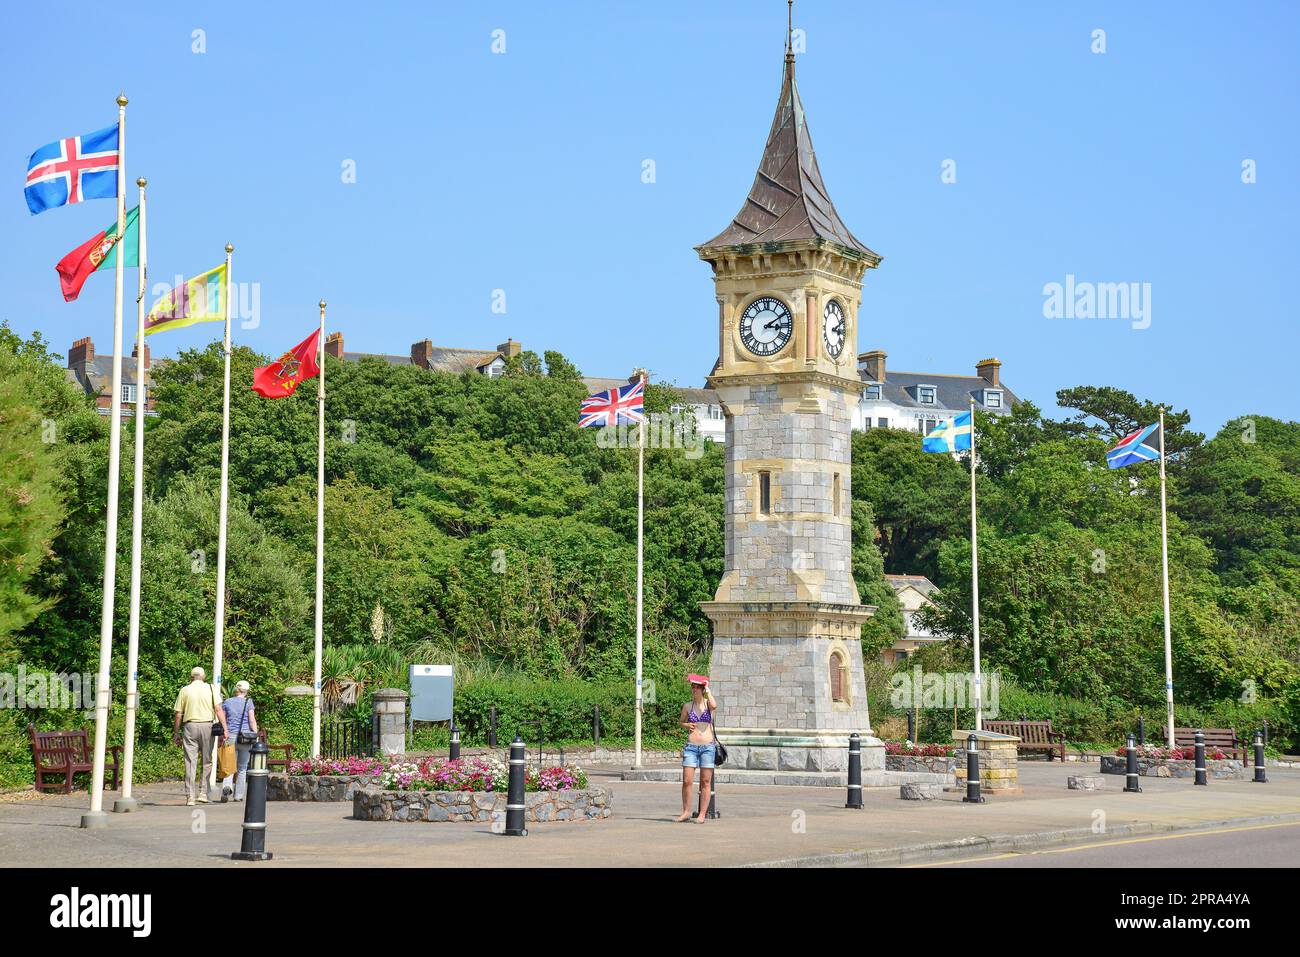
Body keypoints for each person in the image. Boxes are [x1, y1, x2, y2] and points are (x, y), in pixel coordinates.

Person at [172, 666, 227, 806]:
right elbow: (218, 709)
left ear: (191, 677)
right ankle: (202, 793)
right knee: (207, 760)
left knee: (190, 762)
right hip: (207, 726)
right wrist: (225, 729)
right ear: (203, 676)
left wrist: (176, 732)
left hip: (190, 726)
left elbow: (178, 714)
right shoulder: (211, 688)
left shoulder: (184, 690)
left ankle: (190, 797)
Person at [677, 673, 718, 823]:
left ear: (702, 689)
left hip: (707, 747)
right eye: (692, 687)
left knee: (705, 781)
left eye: (696, 687)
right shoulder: (688, 706)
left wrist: (708, 690)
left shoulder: (708, 704)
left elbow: (714, 706)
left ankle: (702, 814)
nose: (694, 690)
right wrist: (686, 724)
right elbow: (681, 721)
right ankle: (686, 811)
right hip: (691, 747)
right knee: (687, 780)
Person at [220, 680, 259, 802]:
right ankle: (238, 796)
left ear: (236, 689)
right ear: (246, 691)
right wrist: (255, 734)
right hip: (245, 738)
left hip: (230, 736)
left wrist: (223, 733)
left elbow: (223, 719)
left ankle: (227, 786)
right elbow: (252, 720)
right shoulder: (249, 702)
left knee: (229, 764)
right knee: (242, 767)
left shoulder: (227, 702)